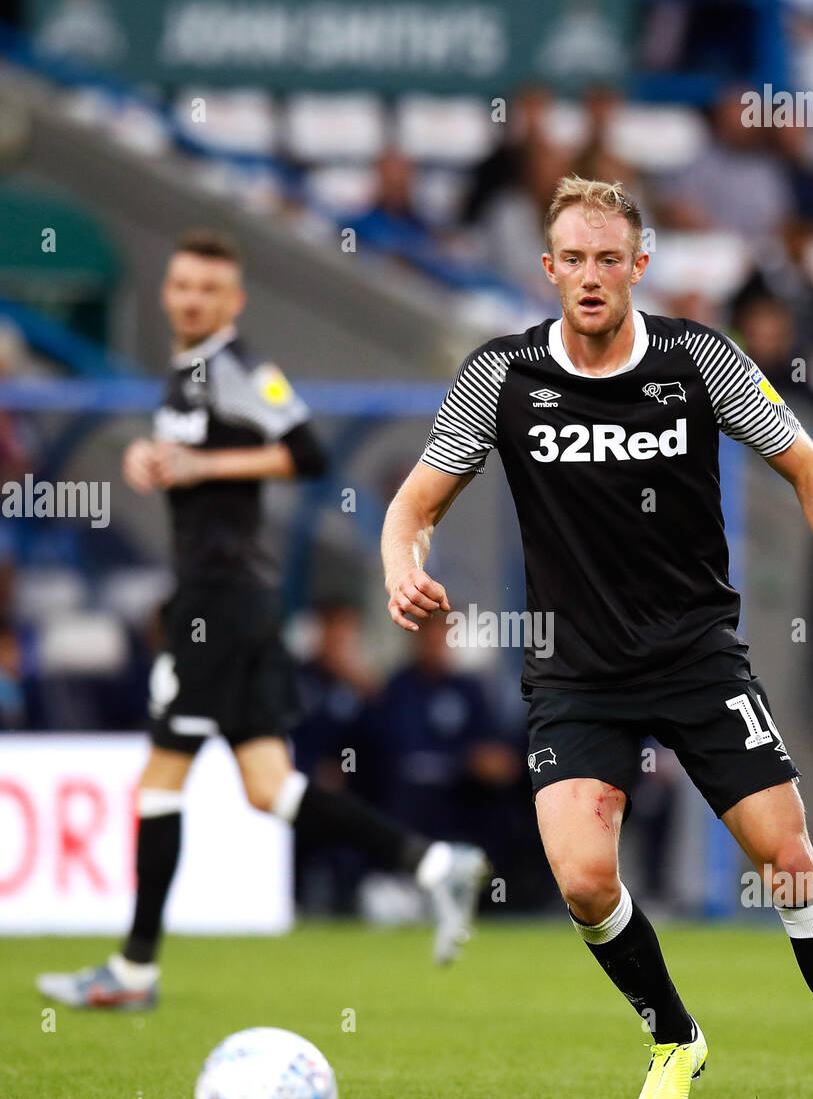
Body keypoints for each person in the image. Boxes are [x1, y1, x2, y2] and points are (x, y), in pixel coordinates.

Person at [381, 177, 813, 1099]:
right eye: (574, 259)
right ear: (547, 267)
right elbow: (413, 505)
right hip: (574, 671)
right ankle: (673, 1034)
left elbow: (810, 466)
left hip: (695, 657)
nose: (592, 276)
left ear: (640, 267)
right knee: (583, 880)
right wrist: (401, 565)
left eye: (611, 259)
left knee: (791, 859)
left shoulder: (699, 362)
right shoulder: (499, 377)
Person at [38, 230, 487, 1009]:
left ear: (234, 301)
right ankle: (430, 863)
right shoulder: (185, 377)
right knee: (268, 786)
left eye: (208, 290)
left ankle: (134, 972)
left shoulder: (241, 367)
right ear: (166, 292)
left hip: (220, 602)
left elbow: (307, 451)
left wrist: (200, 465)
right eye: (181, 287)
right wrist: (156, 460)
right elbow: (200, 461)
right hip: (230, 604)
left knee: (158, 781)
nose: (191, 299)